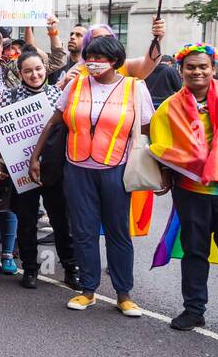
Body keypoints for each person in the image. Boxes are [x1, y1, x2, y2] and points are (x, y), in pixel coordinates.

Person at [30, 35, 152, 315]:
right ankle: (88, 291)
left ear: (115, 60)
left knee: (118, 233)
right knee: (83, 232)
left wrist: (157, 166)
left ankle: (124, 295)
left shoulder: (135, 88)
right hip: (77, 170)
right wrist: (36, 156)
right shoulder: (75, 85)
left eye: (100, 58)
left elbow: (146, 129)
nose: (94, 63)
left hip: (116, 170)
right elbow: (55, 120)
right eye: (90, 57)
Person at [150, 45, 218, 341]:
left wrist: (213, 163)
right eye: (190, 67)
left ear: (213, 69)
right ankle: (194, 308)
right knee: (195, 252)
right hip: (191, 191)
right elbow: (161, 145)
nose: (197, 72)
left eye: (203, 66)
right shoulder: (170, 107)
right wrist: (169, 171)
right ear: (181, 71)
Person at [0, 49, 77, 290]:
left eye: (38, 69)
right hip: (20, 170)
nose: (34, 74)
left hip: (52, 168)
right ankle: (30, 269)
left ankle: (70, 268)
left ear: (45, 68)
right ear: (20, 73)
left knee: (60, 219)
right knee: (26, 220)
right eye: (27, 70)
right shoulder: (9, 96)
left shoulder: (57, 94)